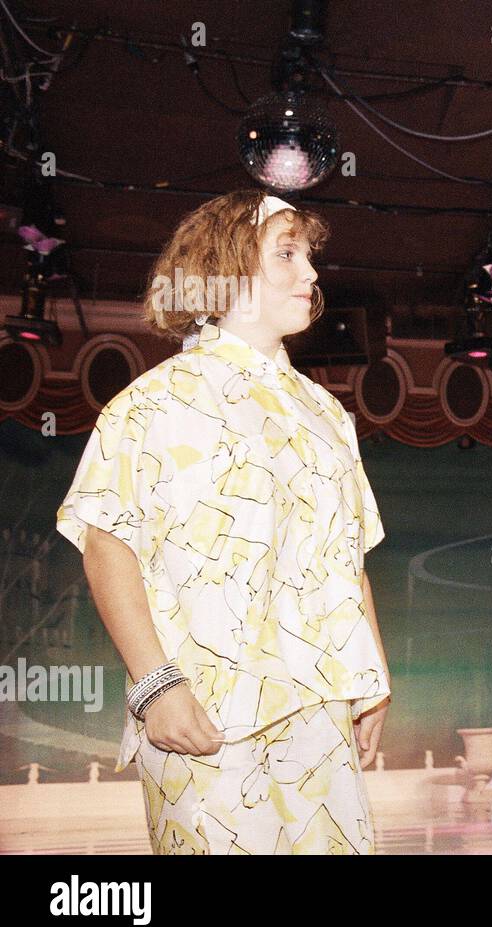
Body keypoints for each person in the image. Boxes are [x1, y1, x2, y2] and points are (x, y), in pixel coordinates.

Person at [55, 190, 391, 854]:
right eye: (287, 253)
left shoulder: (326, 415)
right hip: (203, 719)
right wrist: (156, 685)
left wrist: (372, 678)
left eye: (309, 255)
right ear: (224, 266)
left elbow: (348, 556)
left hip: (320, 714)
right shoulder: (151, 403)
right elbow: (106, 543)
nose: (312, 274)